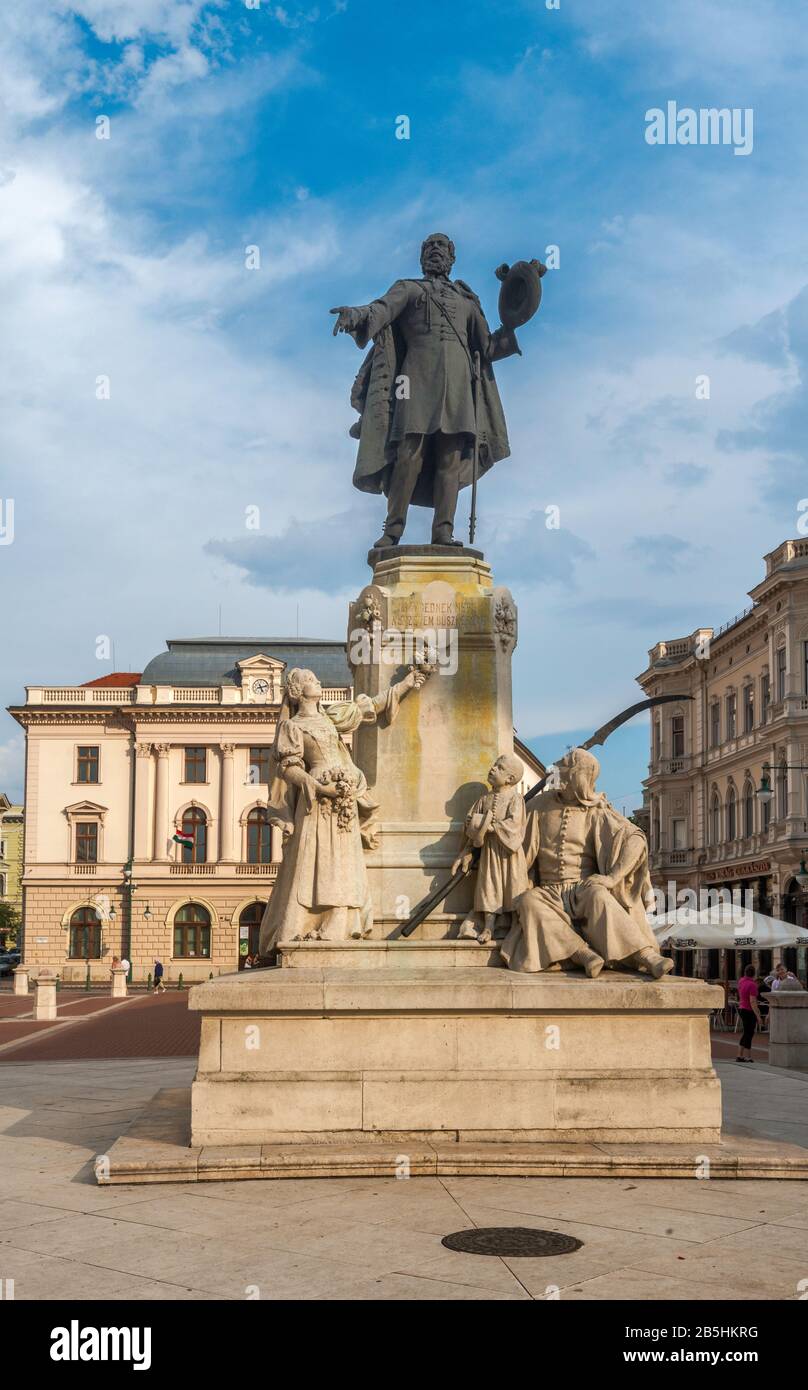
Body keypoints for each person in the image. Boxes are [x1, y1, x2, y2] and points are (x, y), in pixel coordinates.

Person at [331, 233, 521, 547]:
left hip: (457, 385)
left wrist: (513, 323)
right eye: (429, 246)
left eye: (441, 246)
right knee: (409, 456)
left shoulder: (467, 301)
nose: (435, 250)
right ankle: (392, 530)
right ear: (422, 258)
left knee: (450, 458)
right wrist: (355, 315)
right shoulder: (408, 289)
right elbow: (380, 310)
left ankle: (443, 532)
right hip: (413, 382)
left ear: (451, 258)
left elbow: (487, 347)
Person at [259, 666, 428, 951]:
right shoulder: (293, 727)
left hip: (345, 796)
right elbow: (289, 768)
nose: (317, 680)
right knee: (317, 861)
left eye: (315, 677)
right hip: (319, 799)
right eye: (310, 679)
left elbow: (371, 706)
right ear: (298, 691)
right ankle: (308, 921)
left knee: (344, 861)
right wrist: (319, 787)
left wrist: (406, 684)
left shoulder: (331, 717)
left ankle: (340, 920)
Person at [500, 747, 672, 979]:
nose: (556, 768)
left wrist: (613, 878)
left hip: (584, 887)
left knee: (599, 896)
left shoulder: (597, 810)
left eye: (564, 765)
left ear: (577, 775)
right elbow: (510, 832)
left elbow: (636, 839)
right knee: (528, 901)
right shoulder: (538, 806)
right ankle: (582, 954)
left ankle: (647, 956)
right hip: (548, 892)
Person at [452, 752, 529, 943]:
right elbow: (470, 824)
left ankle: (514, 925)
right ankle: (488, 926)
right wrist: (468, 848)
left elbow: (515, 824)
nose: (493, 768)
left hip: (509, 853)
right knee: (489, 887)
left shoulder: (515, 798)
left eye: (499, 768)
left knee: (512, 888)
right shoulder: (483, 799)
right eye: (494, 765)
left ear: (510, 778)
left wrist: (491, 827)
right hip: (489, 851)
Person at [736, 963, 762, 1062]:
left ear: (745, 972)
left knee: (748, 1033)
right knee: (748, 1033)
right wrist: (758, 1015)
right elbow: (753, 1001)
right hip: (749, 1010)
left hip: (742, 1008)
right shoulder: (753, 985)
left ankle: (745, 1055)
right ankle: (742, 1055)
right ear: (754, 974)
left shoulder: (741, 981)